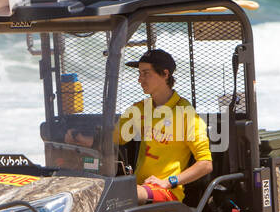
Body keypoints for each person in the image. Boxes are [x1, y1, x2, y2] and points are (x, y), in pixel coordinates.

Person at [65, 49, 212, 203]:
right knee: (89, 191)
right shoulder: (140, 109)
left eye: (145, 73)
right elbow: (113, 139)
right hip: (140, 187)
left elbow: (206, 164)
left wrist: (169, 181)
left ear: (165, 74)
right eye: (139, 74)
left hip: (166, 192)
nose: (140, 80)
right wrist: (80, 139)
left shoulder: (185, 114)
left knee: (117, 194)